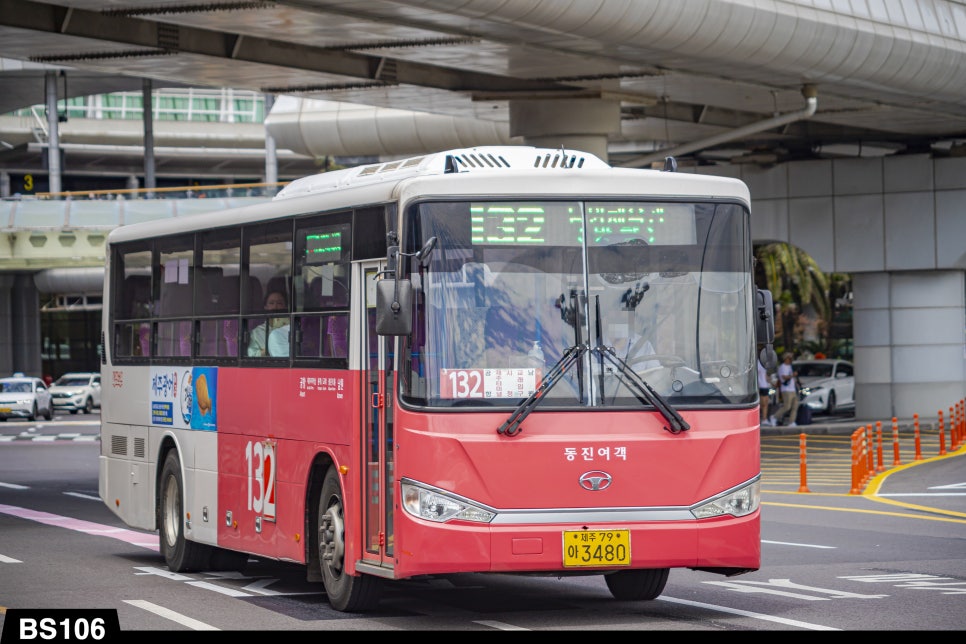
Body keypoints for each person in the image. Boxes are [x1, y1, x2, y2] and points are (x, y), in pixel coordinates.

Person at [247, 290, 289, 357]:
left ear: (286, 307)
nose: (275, 306)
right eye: (271, 303)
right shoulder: (257, 332)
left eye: (279, 303)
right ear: (266, 307)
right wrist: (268, 349)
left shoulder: (290, 328)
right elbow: (251, 354)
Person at [776, 352, 800, 427]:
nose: (790, 360)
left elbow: (792, 377)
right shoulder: (782, 367)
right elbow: (783, 377)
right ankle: (774, 417)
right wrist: (792, 375)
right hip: (786, 389)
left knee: (795, 406)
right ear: (785, 359)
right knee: (787, 406)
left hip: (792, 389)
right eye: (789, 358)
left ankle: (791, 422)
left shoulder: (790, 367)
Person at [757, 359, 773, 426]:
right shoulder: (757, 363)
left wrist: (770, 381)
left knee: (766, 403)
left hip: (765, 386)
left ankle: (764, 419)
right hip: (760, 386)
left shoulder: (764, 364)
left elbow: (765, 375)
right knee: (762, 403)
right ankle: (761, 418)